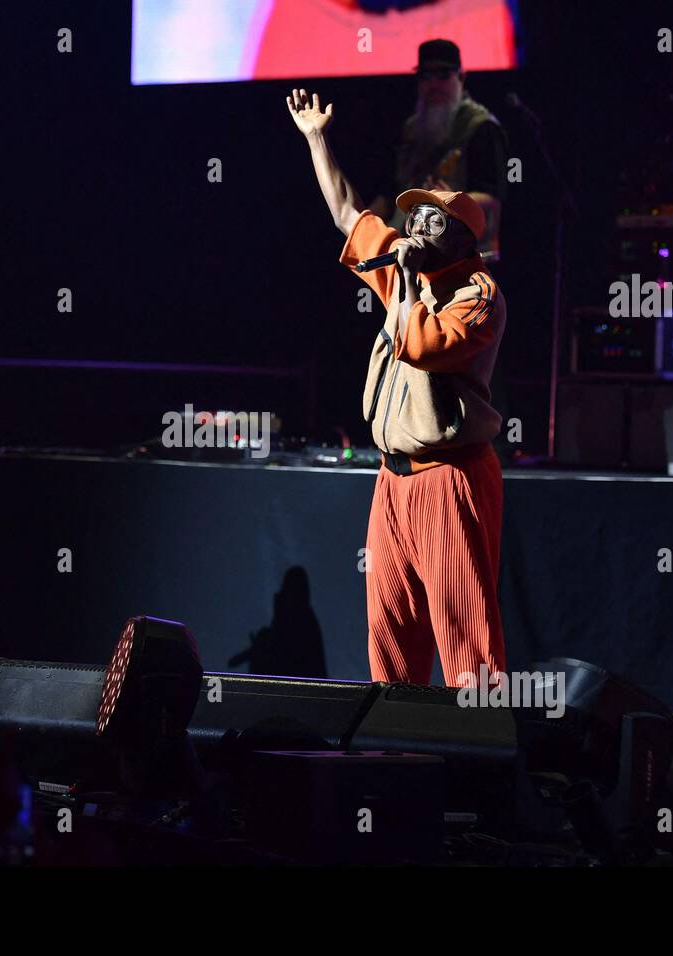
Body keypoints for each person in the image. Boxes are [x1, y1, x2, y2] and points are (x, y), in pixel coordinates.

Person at [287, 89, 507, 688]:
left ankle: (480, 767)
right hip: (393, 481)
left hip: (450, 479)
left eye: (434, 220)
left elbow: (423, 345)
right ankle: (393, 759)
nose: (416, 225)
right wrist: (316, 138)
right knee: (390, 641)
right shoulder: (405, 271)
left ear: (465, 241)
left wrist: (404, 281)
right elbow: (346, 211)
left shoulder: (479, 297)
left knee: (468, 650)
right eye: (415, 215)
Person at [369, 39, 507, 263]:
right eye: (425, 76)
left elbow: (492, 198)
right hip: (414, 253)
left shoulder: (481, 127)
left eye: (443, 75)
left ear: (461, 77)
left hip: (468, 257)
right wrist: (364, 224)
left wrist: (450, 200)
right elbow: (390, 192)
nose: (434, 84)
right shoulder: (411, 129)